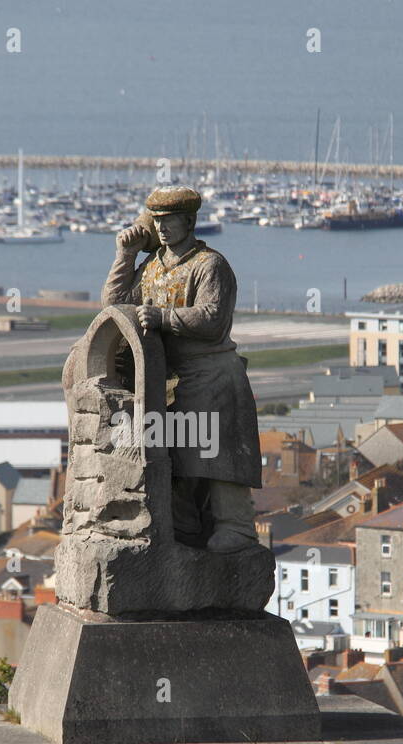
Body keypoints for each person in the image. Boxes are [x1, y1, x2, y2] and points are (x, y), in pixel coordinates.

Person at [101, 185, 261, 553]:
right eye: (155, 221)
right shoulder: (153, 267)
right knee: (174, 455)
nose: (161, 228)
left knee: (218, 455)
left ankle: (235, 527)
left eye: (168, 220)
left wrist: (163, 317)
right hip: (171, 379)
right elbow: (114, 309)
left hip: (213, 375)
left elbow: (213, 318)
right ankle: (186, 527)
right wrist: (125, 257)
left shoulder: (210, 265)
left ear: (188, 221)